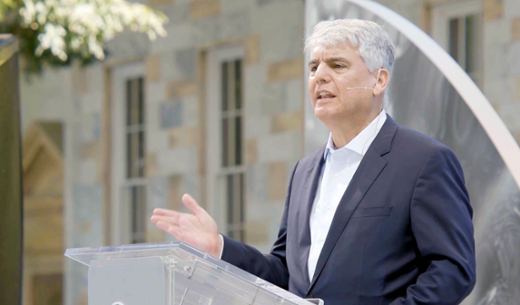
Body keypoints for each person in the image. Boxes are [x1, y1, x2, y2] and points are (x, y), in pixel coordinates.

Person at [151, 19, 476, 304]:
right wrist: (219, 247)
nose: (319, 77)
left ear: (379, 81)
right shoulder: (304, 171)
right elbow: (284, 273)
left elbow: (452, 270)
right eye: (313, 67)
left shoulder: (424, 161)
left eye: (337, 65)